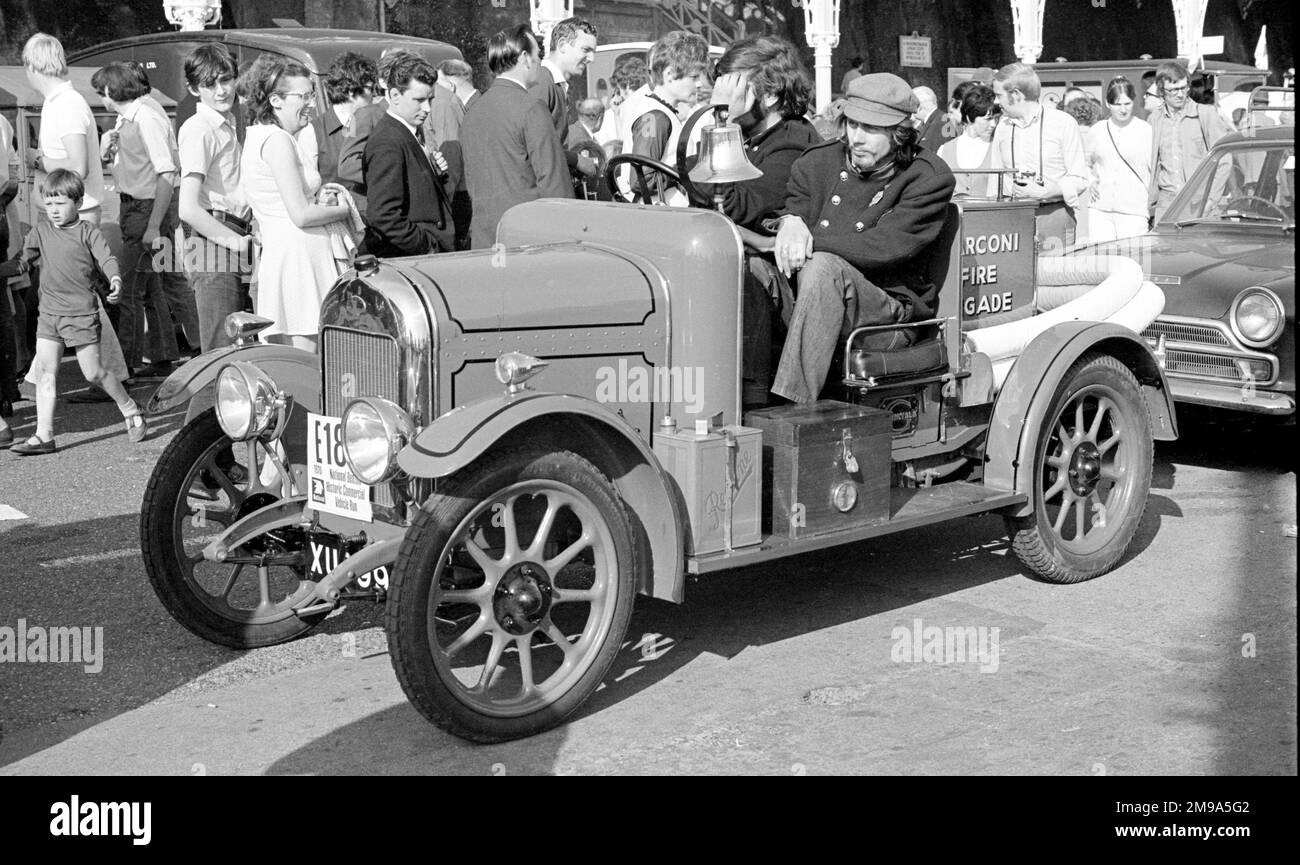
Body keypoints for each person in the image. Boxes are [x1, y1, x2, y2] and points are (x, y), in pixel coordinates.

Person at [770, 73, 956, 404]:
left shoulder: (927, 176)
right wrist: (790, 220)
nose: (857, 137)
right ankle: (740, 403)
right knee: (751, 269)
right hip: (809, 295)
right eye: (852, 124)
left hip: (887, 309)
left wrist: (806, 238)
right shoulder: (817, 161)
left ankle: (794, 413)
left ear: (900, 133)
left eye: (870, 129)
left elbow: (885, 247)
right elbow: (785, 207)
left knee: (823, 267)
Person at [699, 36, 821, 405]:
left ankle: (747, 396)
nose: (721, 101)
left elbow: (732, 205)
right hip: (747, 262)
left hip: (777, 286)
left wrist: (723, 121)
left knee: (746, 269)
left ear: (766, 96)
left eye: (733, 89)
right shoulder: (754, 139)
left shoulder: (791, 143)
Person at [0, 170, 146, 454]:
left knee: (93, 374)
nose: (54, 210)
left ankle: (129, 408)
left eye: (61, 203)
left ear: (78, 203)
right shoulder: (40, 232)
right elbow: (23, 261)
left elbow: (107, 258)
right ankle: (44, 435)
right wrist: (13, 266)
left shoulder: (88, 232)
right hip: (49, 315)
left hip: (81, 315)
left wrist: (115, 278)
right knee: (45, 372)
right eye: (49, 204)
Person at [23, 32, 132, 404]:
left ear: (33, 66)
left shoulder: (64, 105)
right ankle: (91, 373)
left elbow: (78, 165)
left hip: (73, 215)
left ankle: (99, 375)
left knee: (75, 298)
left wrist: (39, 160)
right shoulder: (67, 102)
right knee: (79, 298)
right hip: (72, 211)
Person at [239, 55, 355, 353]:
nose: (312, 104)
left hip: (292, 256)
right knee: (307, 363)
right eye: (303, 96)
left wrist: (320, 199)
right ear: (275, 100)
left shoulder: (264, 136)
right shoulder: (277, 140)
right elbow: (301, 215)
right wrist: (347, 210)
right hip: (298, 262)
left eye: (312, 95)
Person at [92, 61, 199, 381]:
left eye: (102, 92)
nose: (101, 98)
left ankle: (123, 366)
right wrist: (106, 156)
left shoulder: (145, 118)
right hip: (139, 208)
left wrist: (153, 224)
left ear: (112, 90)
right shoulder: (131, 119)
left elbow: (166, 171)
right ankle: (168, 353)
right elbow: (134, 172)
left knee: (131, 288)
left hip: (145, 210)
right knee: (156, 285)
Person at [461, 25, 571, 250]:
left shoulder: (473, 112)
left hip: (485, 240)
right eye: (538, 55)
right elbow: (554, 184)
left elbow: (473, 182)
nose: (540, 62)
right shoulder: (532, 109)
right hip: (528, 242)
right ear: (524, 58)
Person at [177, 43, 253, 355]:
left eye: (226, 80)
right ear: (193, 89)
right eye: (210, 84)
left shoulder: (226, 124)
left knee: (235, 350)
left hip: (229, 237)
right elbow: (188, 207)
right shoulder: (200, 129)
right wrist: (236, 244)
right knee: (220, 353)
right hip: (215, 244)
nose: (221, 91)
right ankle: (204, 407)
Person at [360, 54, 456, 256]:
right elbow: (383, 215)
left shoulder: (406, 132)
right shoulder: (387, 141)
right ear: (394, 95)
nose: (427, 108)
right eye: (419, 100)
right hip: (410, 260)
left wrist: (434, 174)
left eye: (430, 100)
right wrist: (427, 246)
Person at [991, 62, 1090, 252]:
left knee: (1055, 277)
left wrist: (1046, 191)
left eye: (999, 95)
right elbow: (995, 181)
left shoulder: (1063, 123)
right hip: (1012, 220)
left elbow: (1080, 178)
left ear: (1016, 95)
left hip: (1055, 216)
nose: (996, 102)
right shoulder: (1002, 128)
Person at [616, 30, 710, 201]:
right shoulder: (655, 116)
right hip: (659, 218)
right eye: (694, 76)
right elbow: (641, 179)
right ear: (669, 75)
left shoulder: (659, 111)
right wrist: (684, 170)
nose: (699, 84)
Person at [1148, 59, 1229, 221]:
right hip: (1166, 203)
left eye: (1183, 88)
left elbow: (1224, 160)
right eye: (1173, 90)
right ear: (1161, 91)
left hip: (1199, 202)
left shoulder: (1205, 114)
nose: (1180, 94)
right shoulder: (1154, 119)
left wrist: (1211, 201)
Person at [530, 17, 600, 183]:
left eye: (593, 52)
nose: (591, 58)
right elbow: (536, 145)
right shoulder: (541, 82)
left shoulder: (555, 84)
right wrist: (577, 160)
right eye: (585, 50)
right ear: (562, 45)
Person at [1087, 76, 1153, 242]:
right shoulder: (1097, 130)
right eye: (1117, 104)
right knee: (1102, 260)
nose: (1123, 109)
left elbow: (1154, 169)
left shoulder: (1145, 131)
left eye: (1127, 103)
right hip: (1100, 209)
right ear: (1108, 104)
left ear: (1134, 102)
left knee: (1134, 260)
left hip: (1134, 210)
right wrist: (1090, 180)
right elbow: (1083, 161)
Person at [316, 52, 376, 188]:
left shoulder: (374, 125)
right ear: (351, 90)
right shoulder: (314, 131)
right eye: (370, 88)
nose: (374, 94)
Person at [937, 83, 999, 198]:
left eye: (995, 119)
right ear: (970, 118)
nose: (993, 124)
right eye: (988, 119)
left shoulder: (998, 148)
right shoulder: (944, 150)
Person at [912, 85, 954, 152]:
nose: (911, 110)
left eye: (912, 105)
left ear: (919, 106)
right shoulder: (934, 121)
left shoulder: (943, 123)